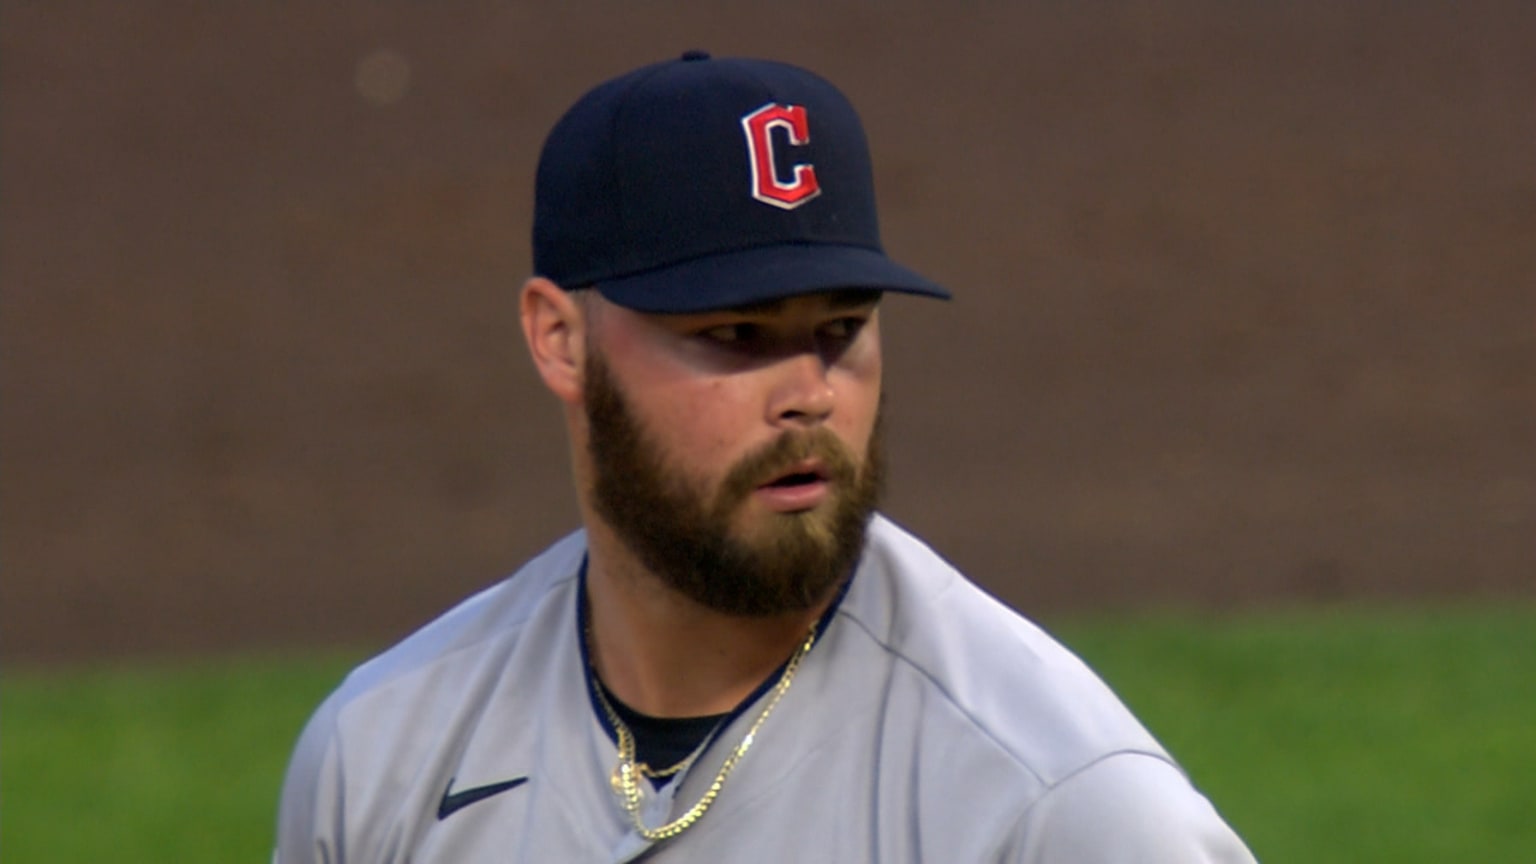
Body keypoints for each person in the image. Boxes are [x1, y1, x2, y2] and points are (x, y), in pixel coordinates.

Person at [275, 51, 1258, 863]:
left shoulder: (1057, 805)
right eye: (735, 335)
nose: (809, 393)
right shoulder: (382, 759)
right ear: (560, 339)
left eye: (839, 330)